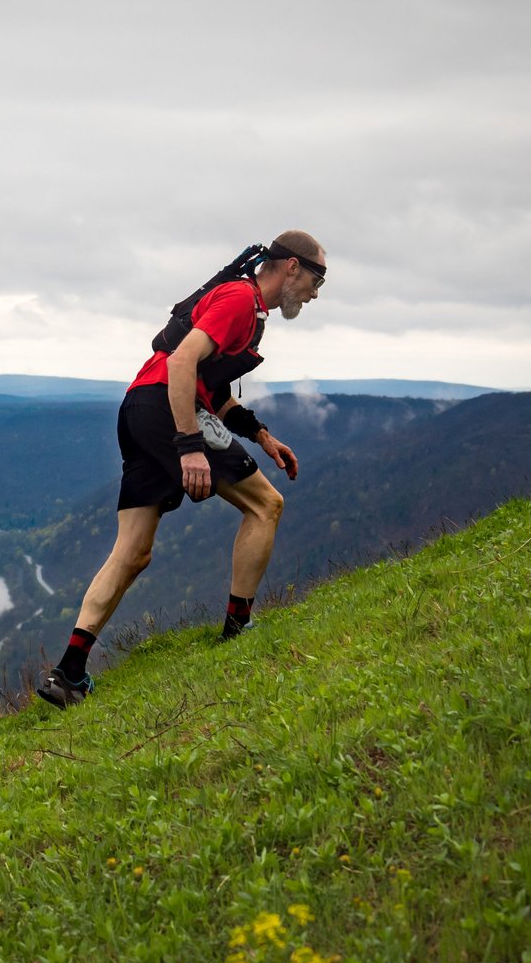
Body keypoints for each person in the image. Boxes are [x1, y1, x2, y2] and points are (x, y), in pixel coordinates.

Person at [36, 231, 326, 709]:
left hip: (139, 409)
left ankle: (68, 674)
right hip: (169, 409)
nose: (315, 294)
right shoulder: (240, 299)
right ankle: (238, 629)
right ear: (292, 266)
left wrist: (261, 435)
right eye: (317, 280)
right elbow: (182, 362)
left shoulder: (248, 308)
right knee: (266, 505)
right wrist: (189, 446)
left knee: (133, 552)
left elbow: (212, 388)